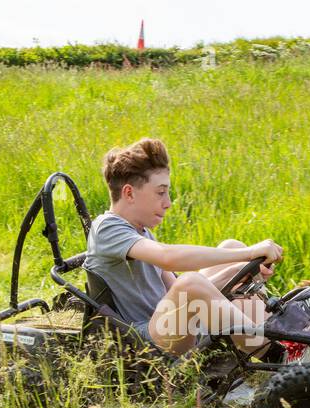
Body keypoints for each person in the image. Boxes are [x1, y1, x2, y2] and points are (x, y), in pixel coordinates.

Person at [83, 137, 283, 357]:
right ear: (129, 193)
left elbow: (175, 289)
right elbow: (170, 259)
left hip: (167, 321)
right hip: (145, 341)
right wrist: (250, 253)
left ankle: (281, 337)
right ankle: (275, 356)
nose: (168, 202)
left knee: (231, 250)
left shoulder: (140, 231)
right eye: (160, 192)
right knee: (194, 280)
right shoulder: (107, 229)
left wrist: (240, 270)